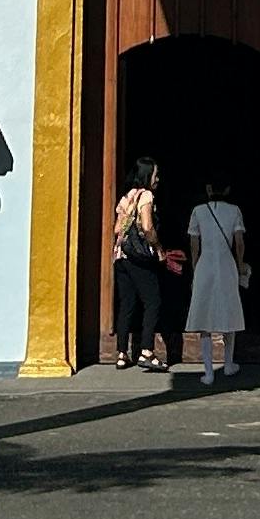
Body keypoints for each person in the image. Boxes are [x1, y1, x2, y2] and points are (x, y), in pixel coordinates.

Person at [183, 173, 249, 386]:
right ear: (227, 190)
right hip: (227, 264)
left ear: (209, 189)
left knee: (204, 319)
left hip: (205, 264)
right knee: (229, 313)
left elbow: (194, 244)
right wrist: (239, 266)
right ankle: (228, 364)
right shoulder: (234, 211)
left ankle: (209, 371)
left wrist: (195, 268)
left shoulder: (198, 211)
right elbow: (239, 243)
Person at [110, 155, 166, 372]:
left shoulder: (126, 197)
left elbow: (116, 230)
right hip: (138, 258)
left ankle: (122, 354)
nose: (158, 178)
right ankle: (146, 351)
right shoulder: (146, 196)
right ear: (147, 176)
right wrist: (159, 248)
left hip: (120, 256)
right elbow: (147, 226)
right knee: (153, 301)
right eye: (155, 174)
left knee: (127, 305)